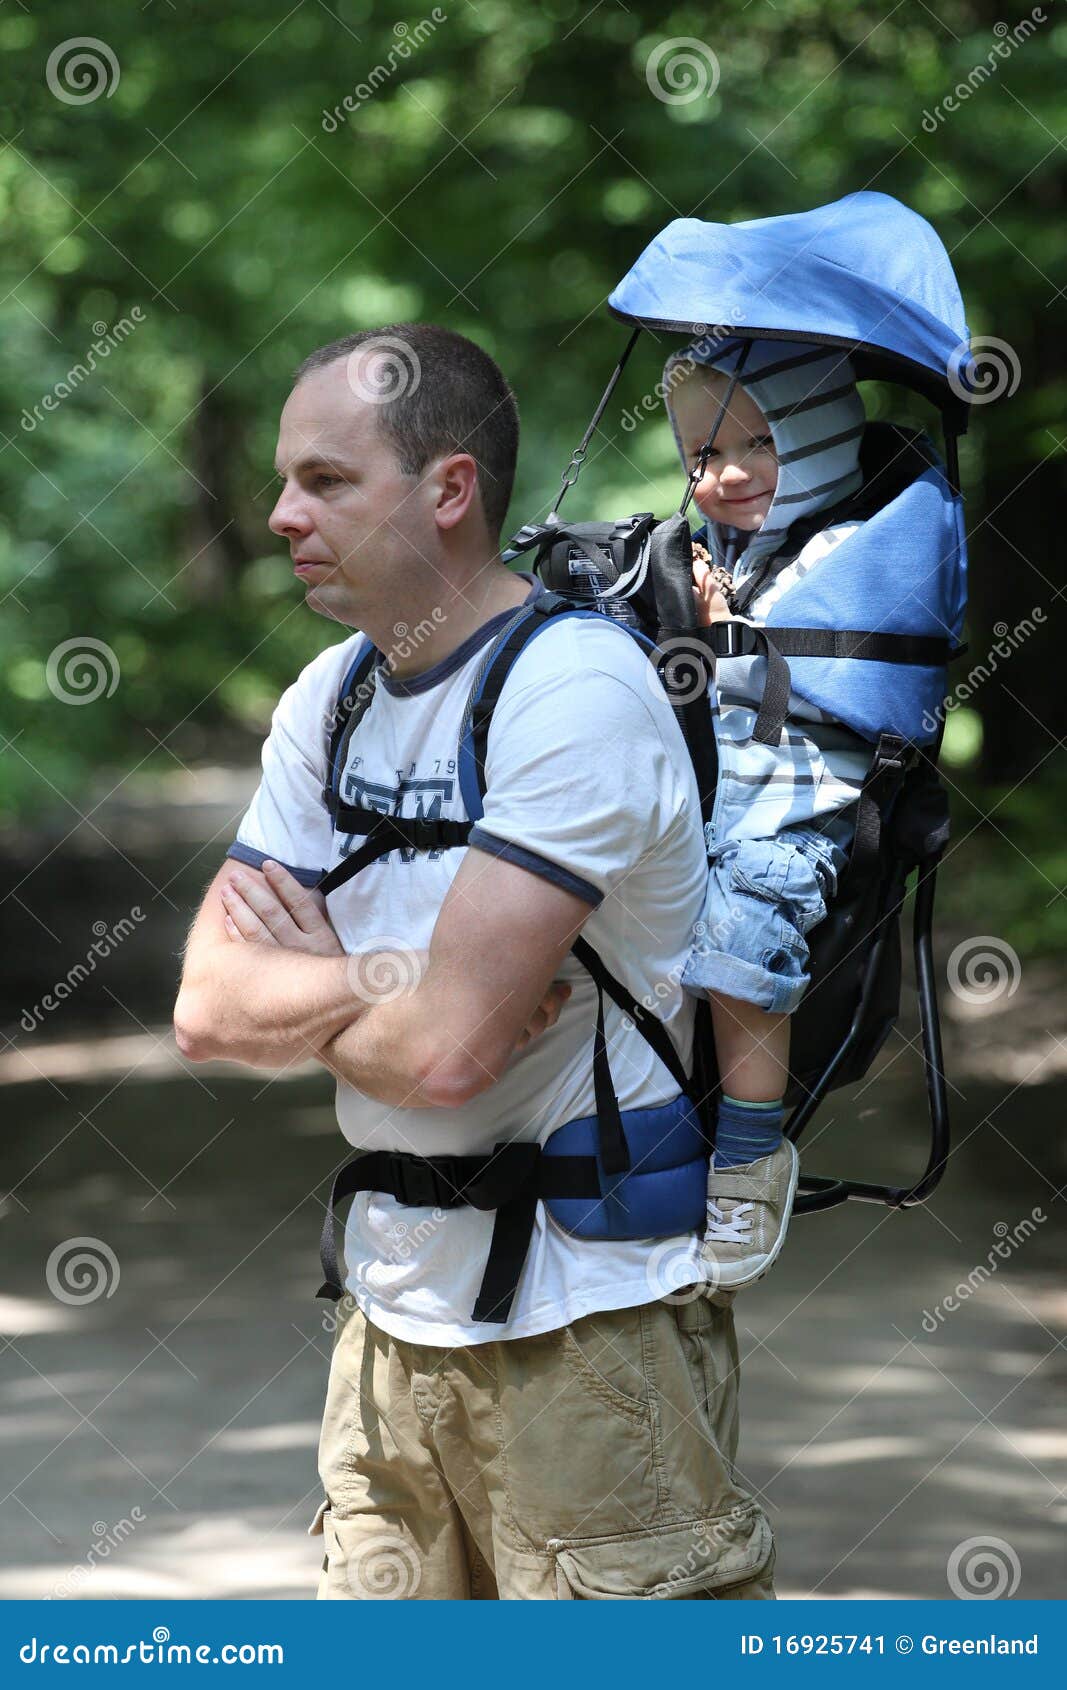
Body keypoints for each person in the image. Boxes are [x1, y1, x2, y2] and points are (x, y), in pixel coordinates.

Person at [173, 323, 776, 1601]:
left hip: (590, 1337)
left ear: (449, 490)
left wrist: (330, 977)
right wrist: (383, 984)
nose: (280, 514)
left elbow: (446, 1060)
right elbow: (207, 1008)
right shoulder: (326, 697)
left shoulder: (574, 692)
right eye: (284, 479)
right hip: (385, 1330)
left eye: (326, 481)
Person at [665, 337, 872, 1289]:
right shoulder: (720, 551)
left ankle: (749, 1157)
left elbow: (836, 672)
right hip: (703, 792)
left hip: (791, 808)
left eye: (761, 442)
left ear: (826, 438)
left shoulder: (845, 548)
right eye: (703, 455)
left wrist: (721, 636)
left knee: (743, 933)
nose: (729, 472)